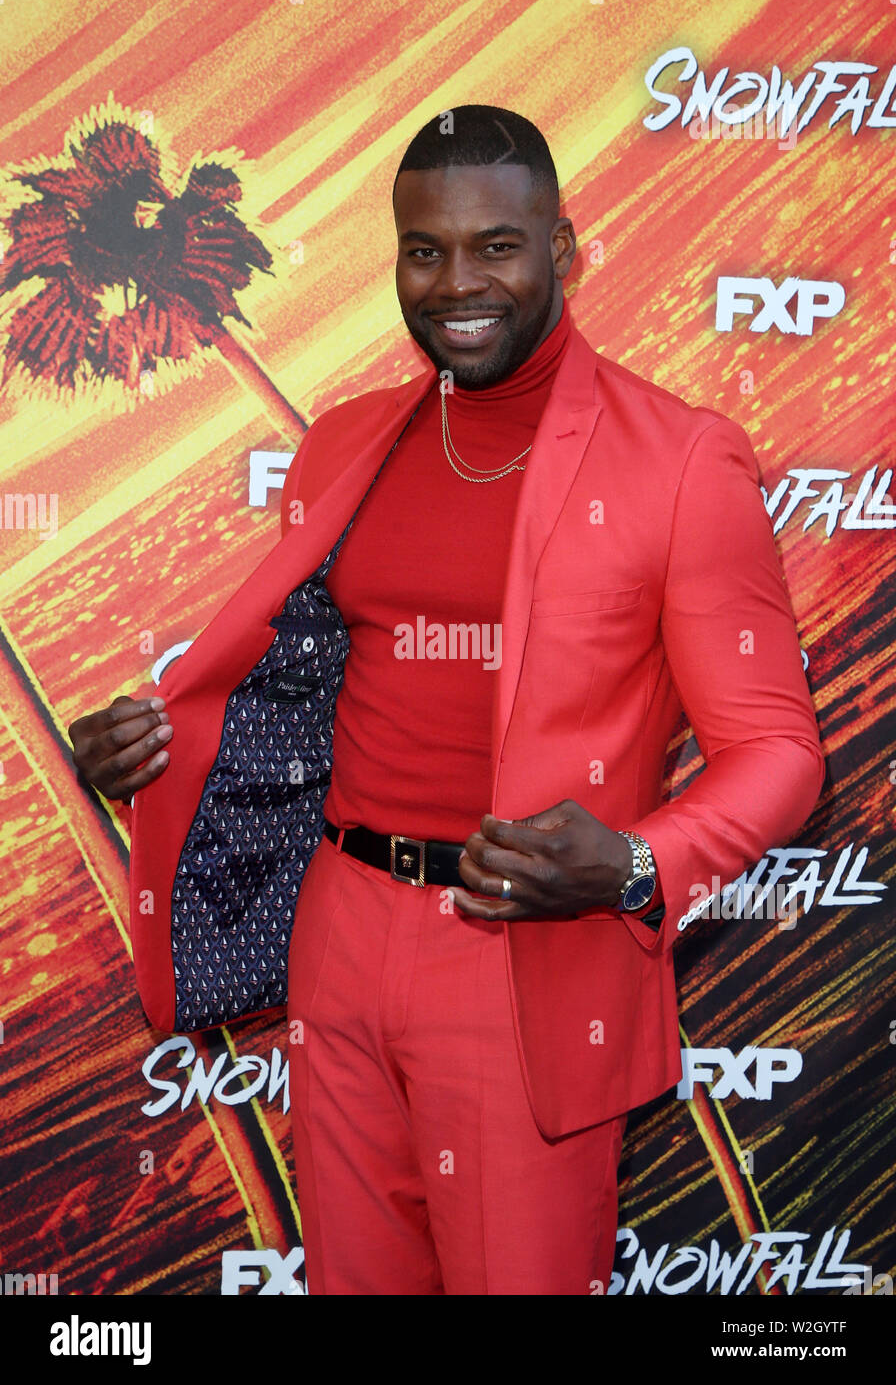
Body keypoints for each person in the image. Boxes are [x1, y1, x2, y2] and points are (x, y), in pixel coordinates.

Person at [69, 105, 825, 1295]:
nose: (456, 281)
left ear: (564, 248)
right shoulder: (344, 444)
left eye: (496, 246)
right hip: (341, 933)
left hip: (525, 953)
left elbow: (777, 749)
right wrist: (151, 745)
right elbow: (295, 690)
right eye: (424, 250)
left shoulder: (681, 460)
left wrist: (631, 863)